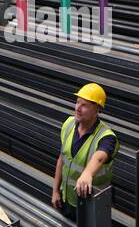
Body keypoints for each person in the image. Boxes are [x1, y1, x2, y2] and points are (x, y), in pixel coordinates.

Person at [51, 83, 119, 218]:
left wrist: (87, 173)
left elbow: (99, 157)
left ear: (97, 109)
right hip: (67, 199)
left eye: (84, 105)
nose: (78, 108)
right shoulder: (68, 125)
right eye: (77, 102)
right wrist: (55, 191)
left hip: (93, 206)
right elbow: (62, 159)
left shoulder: (107, 137)